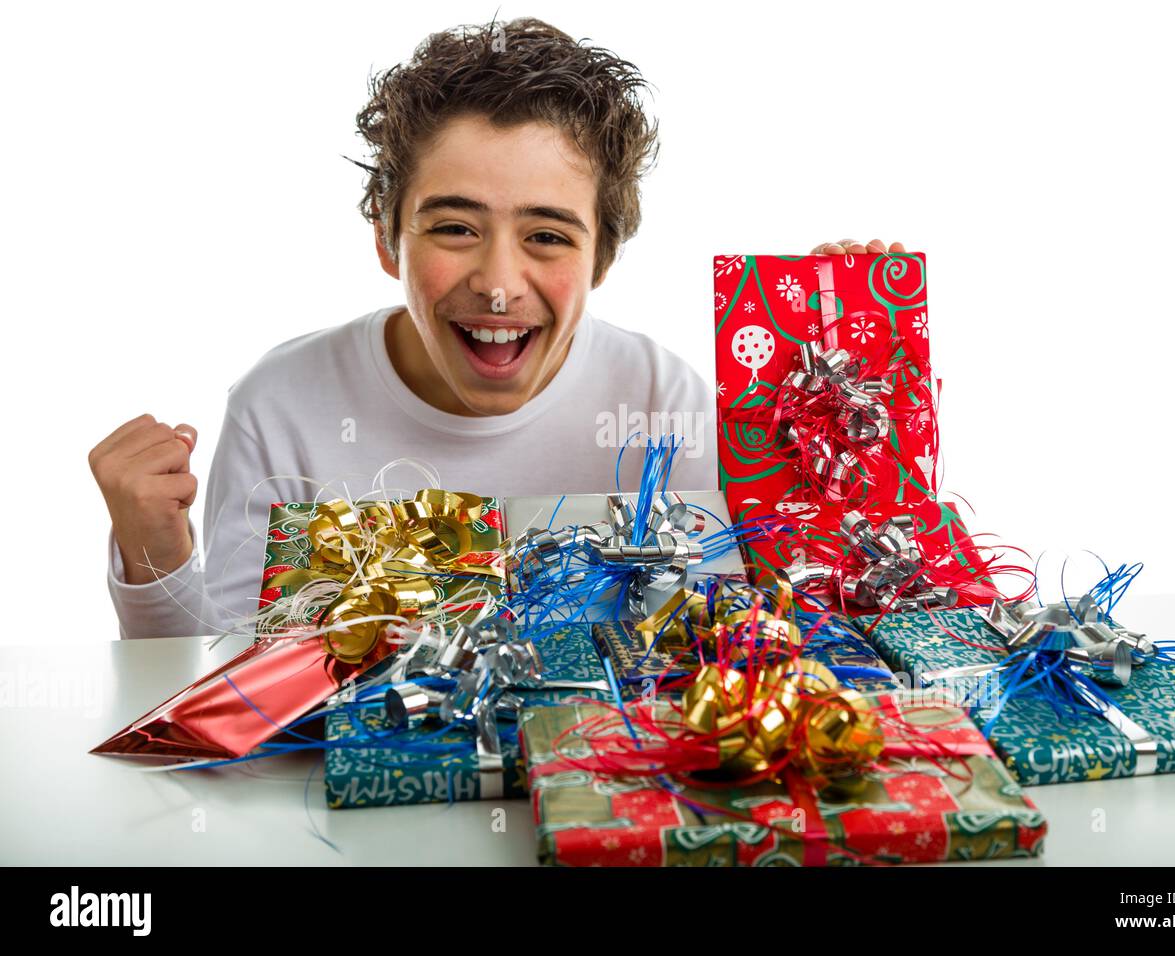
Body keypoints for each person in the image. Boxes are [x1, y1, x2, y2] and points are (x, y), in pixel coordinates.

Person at [87, 16, 906, 639]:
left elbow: (751, 639)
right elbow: (230, 689)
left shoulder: (661, 398)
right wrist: (153, 557)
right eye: (454, 228)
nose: (500, 285)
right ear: (386, 238)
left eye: (547, 236)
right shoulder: (284, 404)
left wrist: (848, 371)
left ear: (603, 260)